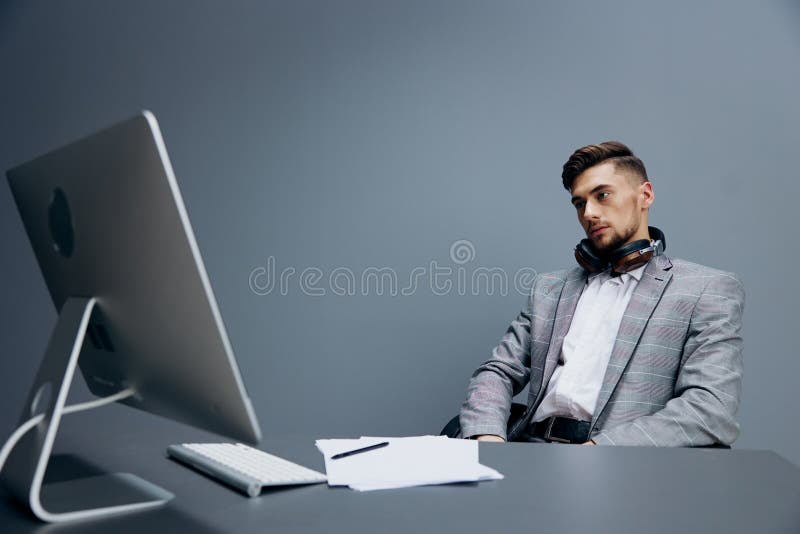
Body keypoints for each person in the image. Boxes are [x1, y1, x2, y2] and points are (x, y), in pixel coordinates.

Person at [458, 141, 744, 446]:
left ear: (644, 195)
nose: (589, 213)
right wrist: (486, 435)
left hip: (617, 461)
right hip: (528, 449)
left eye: (602, 195)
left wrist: (599, 450)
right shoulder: (549, 289)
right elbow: (498, 371)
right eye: (580, 203)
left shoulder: (707, 289)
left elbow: (709, 409)